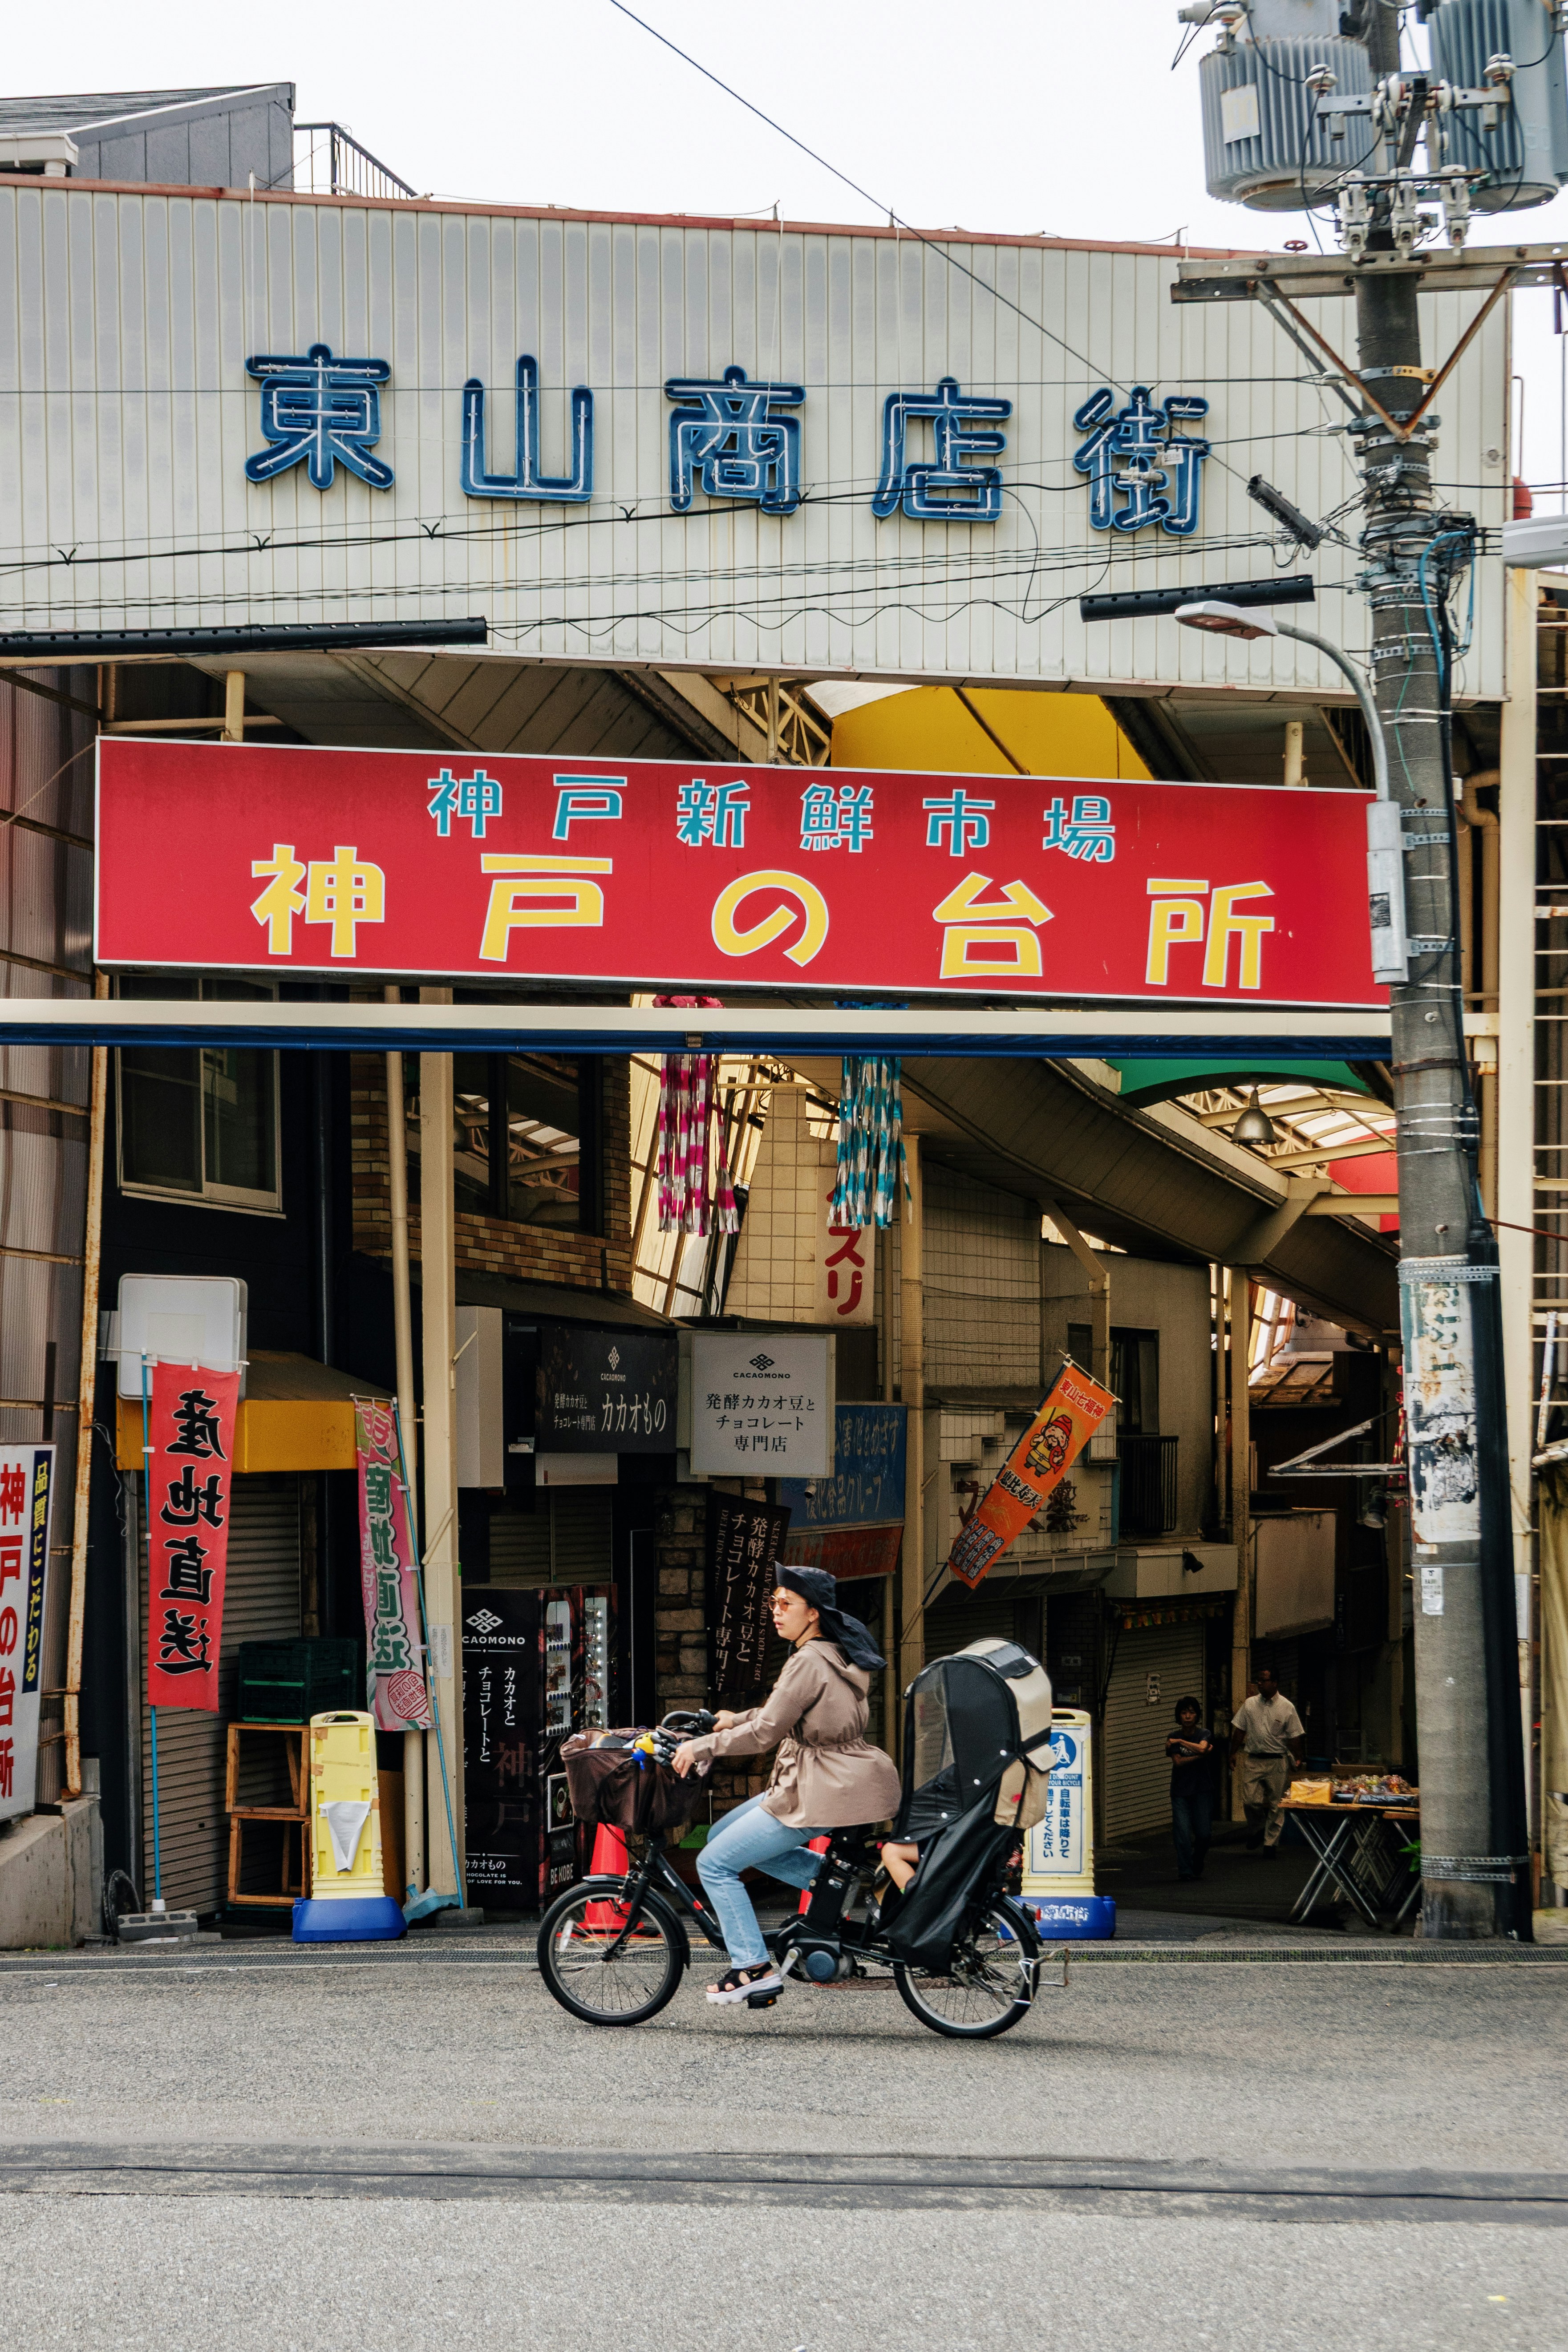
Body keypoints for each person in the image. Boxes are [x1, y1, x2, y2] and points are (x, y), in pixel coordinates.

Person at [672, 1563, 901, 2004]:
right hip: (842, 1778)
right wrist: (729, 1720)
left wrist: (701, 1746)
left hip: (824, 1787)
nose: (775, 1610)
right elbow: (778, 1713)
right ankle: (832, 1880)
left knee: (715, 1864)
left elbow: (766, 1732)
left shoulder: (808, 1660)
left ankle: (752, 1967)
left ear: (812, 1612)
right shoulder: (831, 1650)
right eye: (773, 1601)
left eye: (786, 1603)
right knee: (721, 1836)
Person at [1230, 1665, 1306, 1856]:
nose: (1260, 1684)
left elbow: (1294, 1736)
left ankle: (1270, 1844)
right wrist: (1232, 1753)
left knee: (1276, 1804)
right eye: (1259, 1680)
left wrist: (1299, 1757)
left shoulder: (1287, 1707)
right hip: (1254, 1759)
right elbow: (1240, 1729)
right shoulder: (1249, 1704)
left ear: (1274, 1683)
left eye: (1264, 1681)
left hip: (1277, 1760)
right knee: (1249, 1801)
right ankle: (1258, 1828)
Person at [1166, 1696, 1215, 1882]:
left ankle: (1198, 1860)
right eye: (1184, 1713)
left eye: (1192, 1713)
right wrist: (1200, 1755)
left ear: (1197, 1716)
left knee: (1204, 1833)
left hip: (1202, 1789)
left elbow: (1203, 1748)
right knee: (1183, 1832)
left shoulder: (1204, 1733)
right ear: (1179, 1716)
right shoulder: (1172, 1735)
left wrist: (1180, 1742)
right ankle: (1185, 1870)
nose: (1188, 1716)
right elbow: (1178, 1762)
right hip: (1180, 1791)